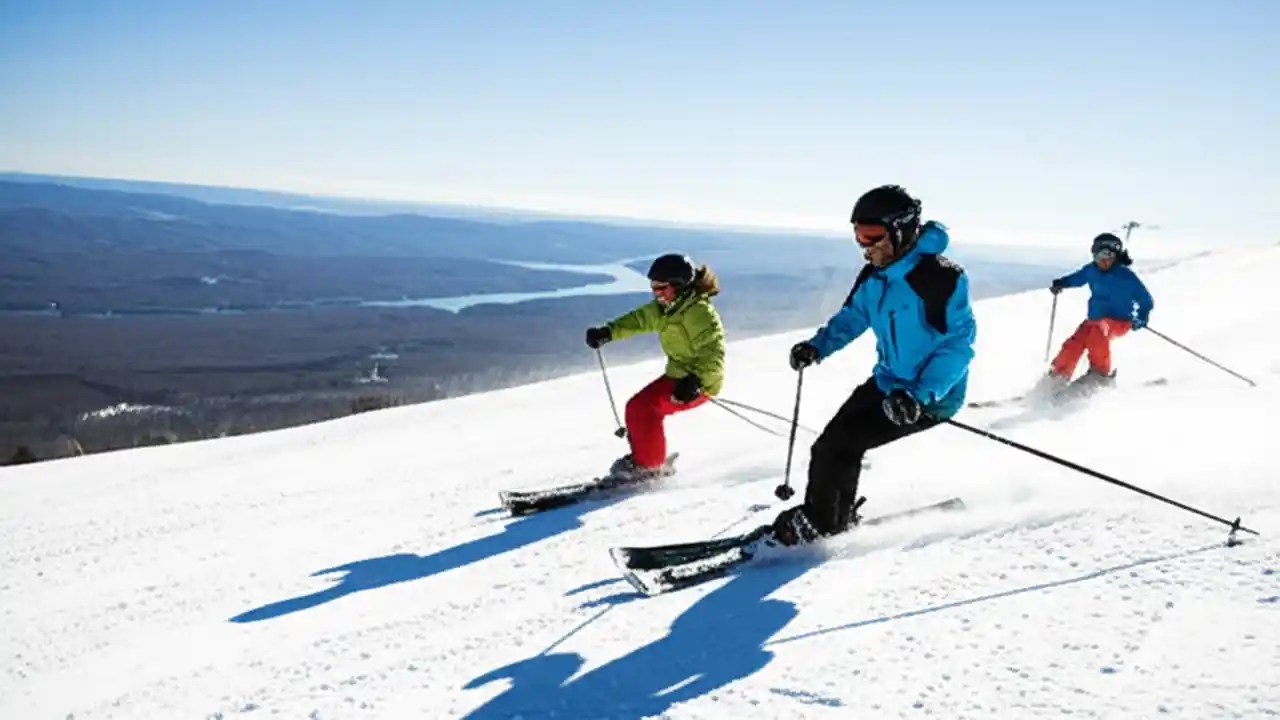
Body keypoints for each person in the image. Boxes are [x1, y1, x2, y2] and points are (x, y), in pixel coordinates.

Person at [772, 185, 977, 546]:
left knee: (842, 445)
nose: (864, 246)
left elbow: (957, 348)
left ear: (900, 230)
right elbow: (852, 317)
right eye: (858, 236)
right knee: (828, 446)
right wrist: (817, 347)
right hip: (887, 383)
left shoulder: (940, 279)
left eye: (871, 236)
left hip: (927, 396)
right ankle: (830, 515)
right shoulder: (875, 276)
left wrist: (918, 396)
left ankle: (823, 524)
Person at [585, 253, 726, 480]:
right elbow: (640, 319)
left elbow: (713, 351)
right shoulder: (666, 308)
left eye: (662, 288)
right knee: (636, 407)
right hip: (678, 376)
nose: (657, 293)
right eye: (653, 288)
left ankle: (649, 467)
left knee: (646, 409)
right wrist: (608, 332)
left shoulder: (699, 313)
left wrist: (697, 382)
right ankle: (647, 458)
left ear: (680, 286)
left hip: (698, 384)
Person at [1041, 233, 1153, 395]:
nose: (1103, 260)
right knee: (1074, 343)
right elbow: (1078, 278)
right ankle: (1058, 375)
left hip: (1118, 322)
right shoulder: (1092, 270)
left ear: (1116, 256)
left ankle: (1100, 376)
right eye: (1098, 255)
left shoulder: (1125, 277)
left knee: (1099, 332)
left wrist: (1141, 317)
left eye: (1108, 255)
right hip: (1094, 320)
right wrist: (1062, 283)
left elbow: (1146, 300)